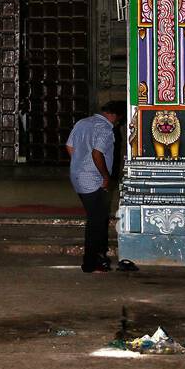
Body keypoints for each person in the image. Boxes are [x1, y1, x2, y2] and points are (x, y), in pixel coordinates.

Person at [66, 101, 124, 274]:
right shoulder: (105, 129)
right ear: (114, 115)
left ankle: (98, 257)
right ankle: (91, 262)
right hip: (94, 180)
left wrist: (79, 163)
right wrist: (106, 176)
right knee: (96, 221)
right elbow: (97, 153)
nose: (118, 123)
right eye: (119, 119)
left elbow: (69, 146)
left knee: (97, 218)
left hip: (78, 176)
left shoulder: (82, 123)